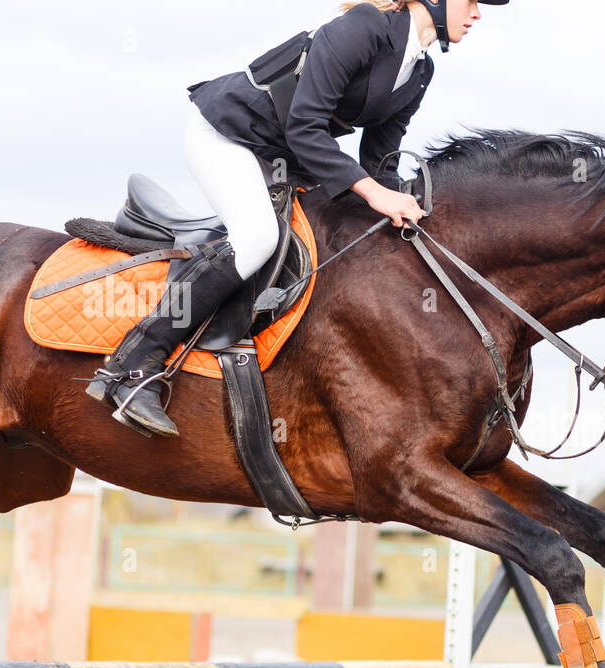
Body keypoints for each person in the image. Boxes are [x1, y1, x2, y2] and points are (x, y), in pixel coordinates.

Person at [86, 0, 508, 438]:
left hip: (287, 154)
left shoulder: (420, 71)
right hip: (231, 134)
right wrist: (376, 194)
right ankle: (132, 365)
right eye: (471, 0)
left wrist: (404, 206)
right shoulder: (364, 26)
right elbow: (305, 125)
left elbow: (379, 158)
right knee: (257, 239)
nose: (477, 13)